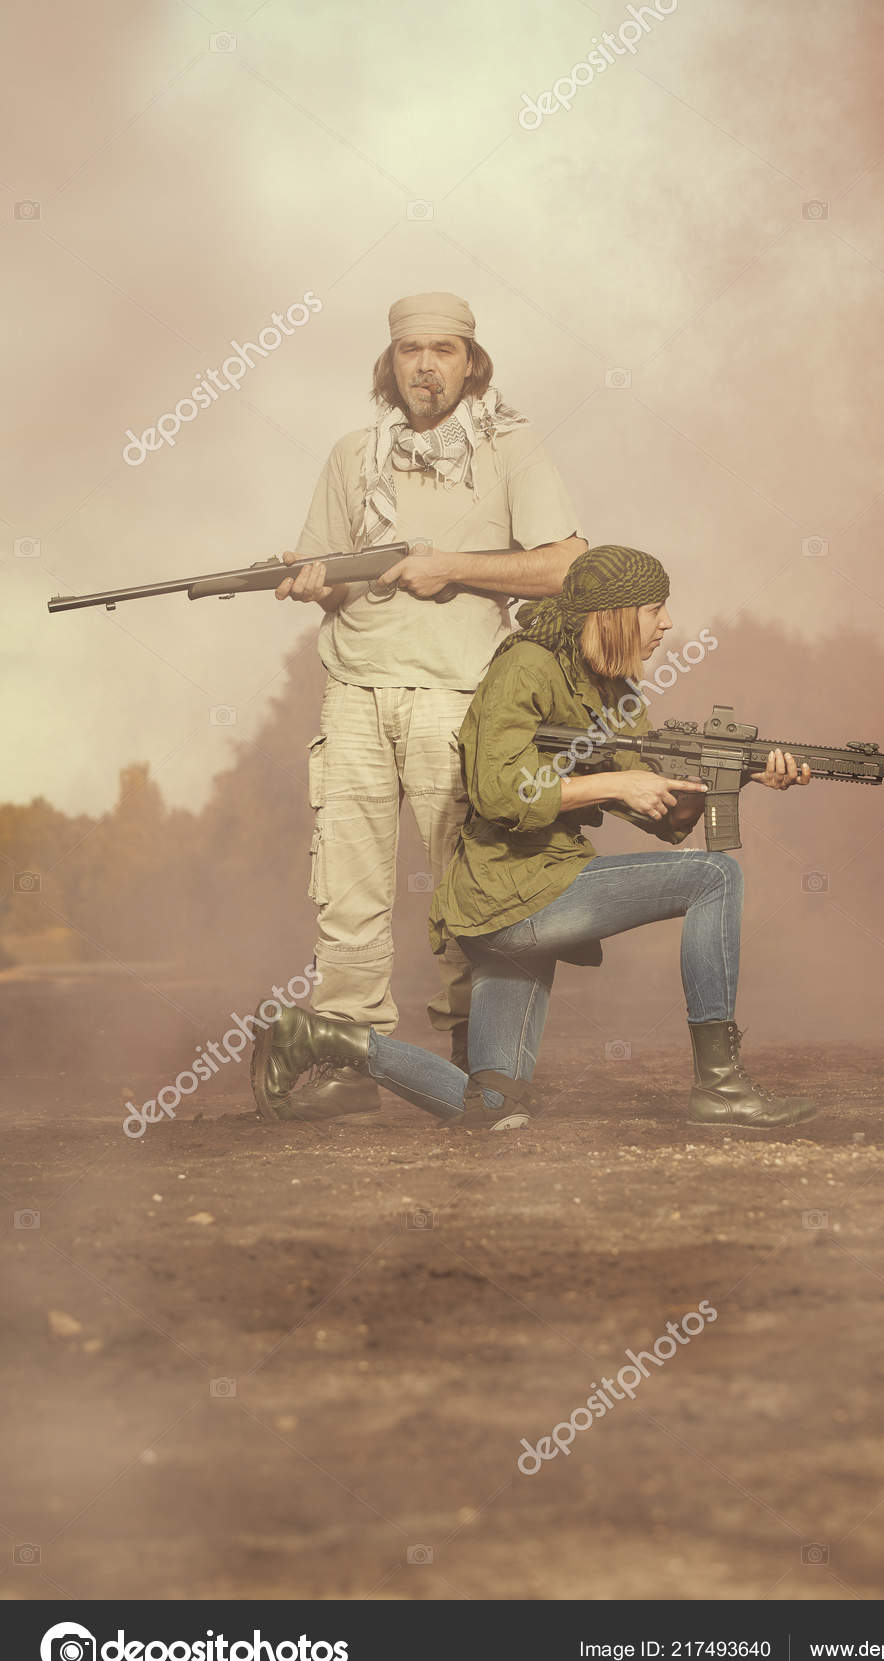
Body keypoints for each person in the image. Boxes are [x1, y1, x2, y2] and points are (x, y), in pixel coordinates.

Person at [253, 544, 817, 1133]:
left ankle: (322, 1038)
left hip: (521, 912)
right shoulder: (526, 666)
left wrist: (735, 777)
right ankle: (721, 1086)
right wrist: (613, 785)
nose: (668, 624)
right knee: (715, 877)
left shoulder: (615, 692)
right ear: (610, 614)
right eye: (655, 609)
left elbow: (666, 818)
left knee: (491, 1110)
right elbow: (497, 792)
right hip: (510, 892)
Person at [275, 291, 586, 1118]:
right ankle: (347, 1064)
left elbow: (568, 567)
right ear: (390, 363)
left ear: (470, 361)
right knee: (346, 898)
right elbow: (329, 574)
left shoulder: (511, 449)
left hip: (457, 702)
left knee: (466, 896)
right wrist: (311, 582)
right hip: (353, 693)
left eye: (442, 349)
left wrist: (450, 564)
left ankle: (473, 1063)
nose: (424, 365)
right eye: (409, 349)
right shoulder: (352, 455)